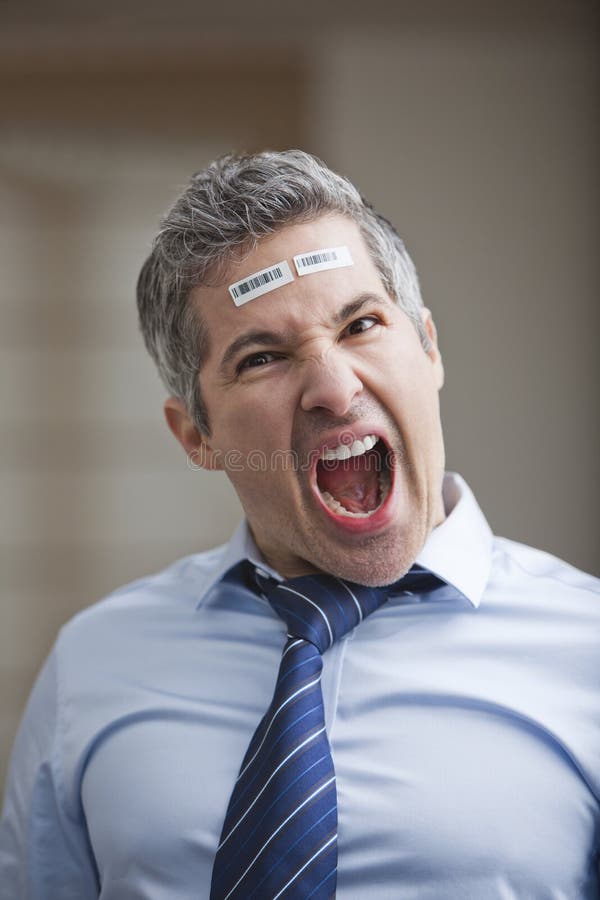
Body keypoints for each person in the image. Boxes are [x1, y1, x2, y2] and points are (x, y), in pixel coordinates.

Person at [1, 150, 598, 899]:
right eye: (261, 358)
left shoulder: (588, 650)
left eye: (362, 324)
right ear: (197, 436)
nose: (334, 388)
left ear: (430, 347)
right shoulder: (93, 664)